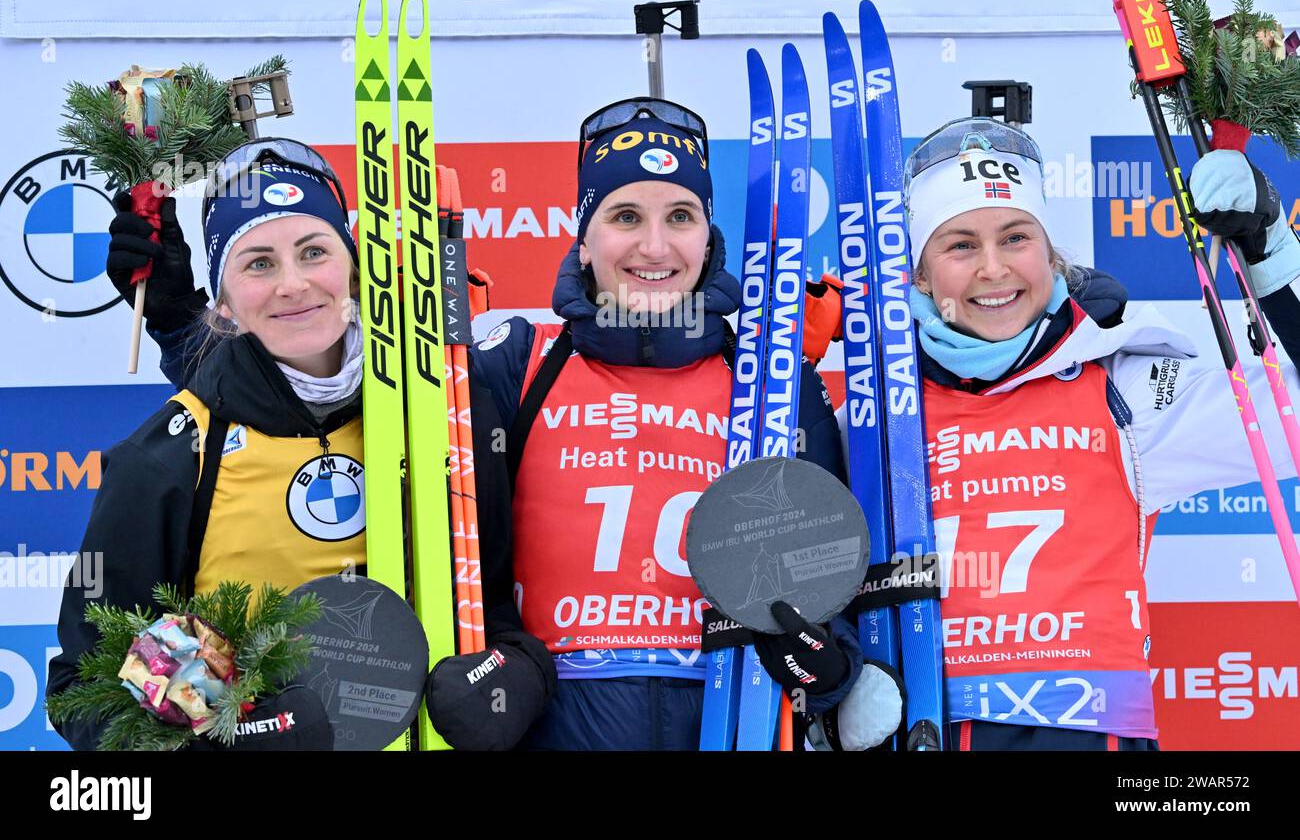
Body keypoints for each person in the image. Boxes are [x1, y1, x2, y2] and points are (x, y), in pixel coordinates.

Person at [425, 98, 863, 751]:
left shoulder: (772, 380)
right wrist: (494, 664)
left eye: (680, 217)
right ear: (585, 238)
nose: (654, 247)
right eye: (625, 216)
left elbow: (834, 592)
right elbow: (455, 551)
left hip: (727, 722)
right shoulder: (518, 363)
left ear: (708, 238)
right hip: (557, 727)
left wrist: (825, 666)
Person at [883, 117, 1300, 750]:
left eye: (1016, 237)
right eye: (961, 245)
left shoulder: (1126, 386)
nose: (994, 269)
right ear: (920, 275)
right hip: (927, 734)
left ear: (1050, 253)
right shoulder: (880, 414)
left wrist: (1272, 250)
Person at [48, 140, 370, 750]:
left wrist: (514, 673)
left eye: (314, 251)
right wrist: (214, 745)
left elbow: (504, 619)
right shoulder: (163, 458)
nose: (293, 284)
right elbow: (81, 688)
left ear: (352, 267)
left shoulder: (441, 413)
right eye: (258, 263)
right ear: (223, 301)